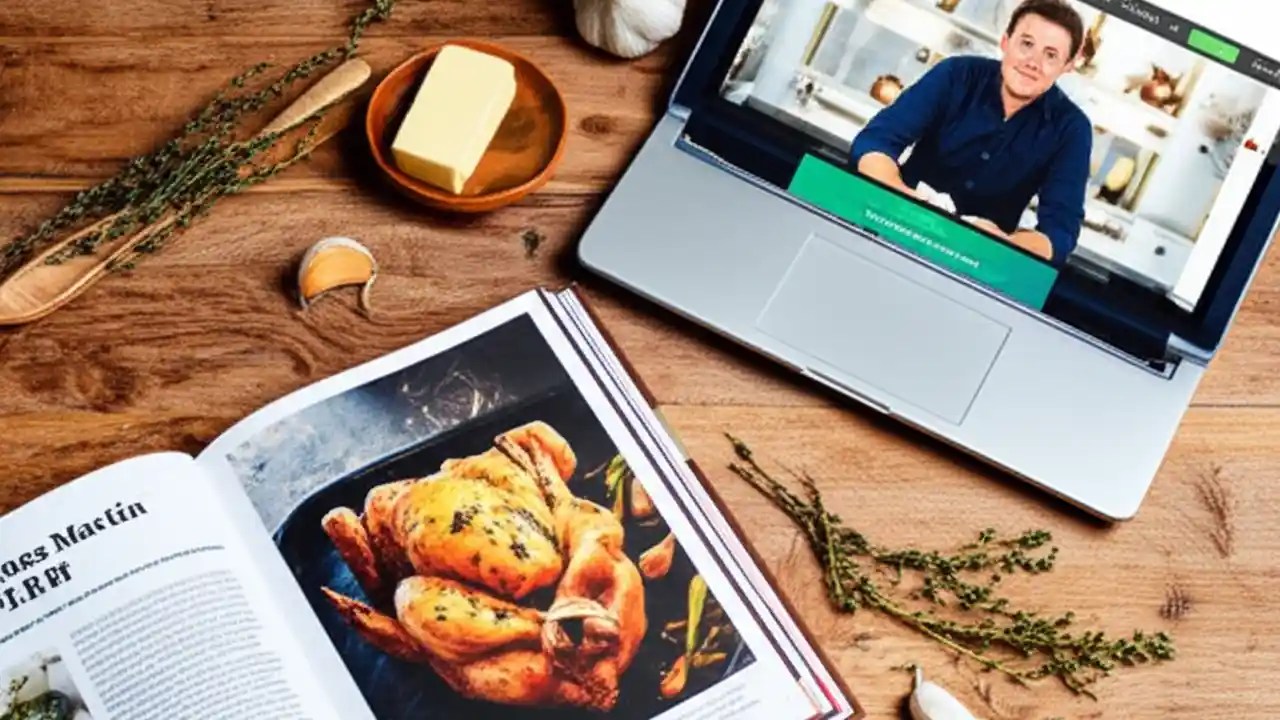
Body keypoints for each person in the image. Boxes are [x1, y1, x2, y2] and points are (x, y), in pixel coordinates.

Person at [849, 0, 1093, 266]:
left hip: (980, 265)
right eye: (1026, 44)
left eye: (1051, 55)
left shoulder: (1072, 129)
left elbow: (1060, 231)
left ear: (1067, 66)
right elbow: (875, 142)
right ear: (1005, 42)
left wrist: (1003, 243)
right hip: (891, 224)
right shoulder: (956, 74)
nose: (1033, 62)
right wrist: (906, 199)